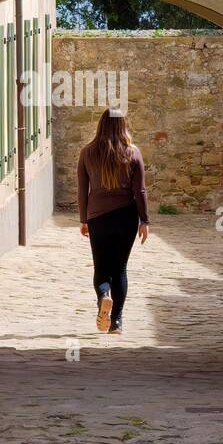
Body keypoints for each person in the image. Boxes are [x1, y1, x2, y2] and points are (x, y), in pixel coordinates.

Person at [77, 107, 149, 334]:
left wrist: (83, 219)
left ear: (101, 125)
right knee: (120, 269)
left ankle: (104, 296)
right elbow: (140, 191)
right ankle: (116, 321)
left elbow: (82, 190)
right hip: (126, 217)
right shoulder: (133, 153)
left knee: (101, 268)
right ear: (123, 125)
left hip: (98, 217)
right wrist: (144, 221)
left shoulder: (87, 153)